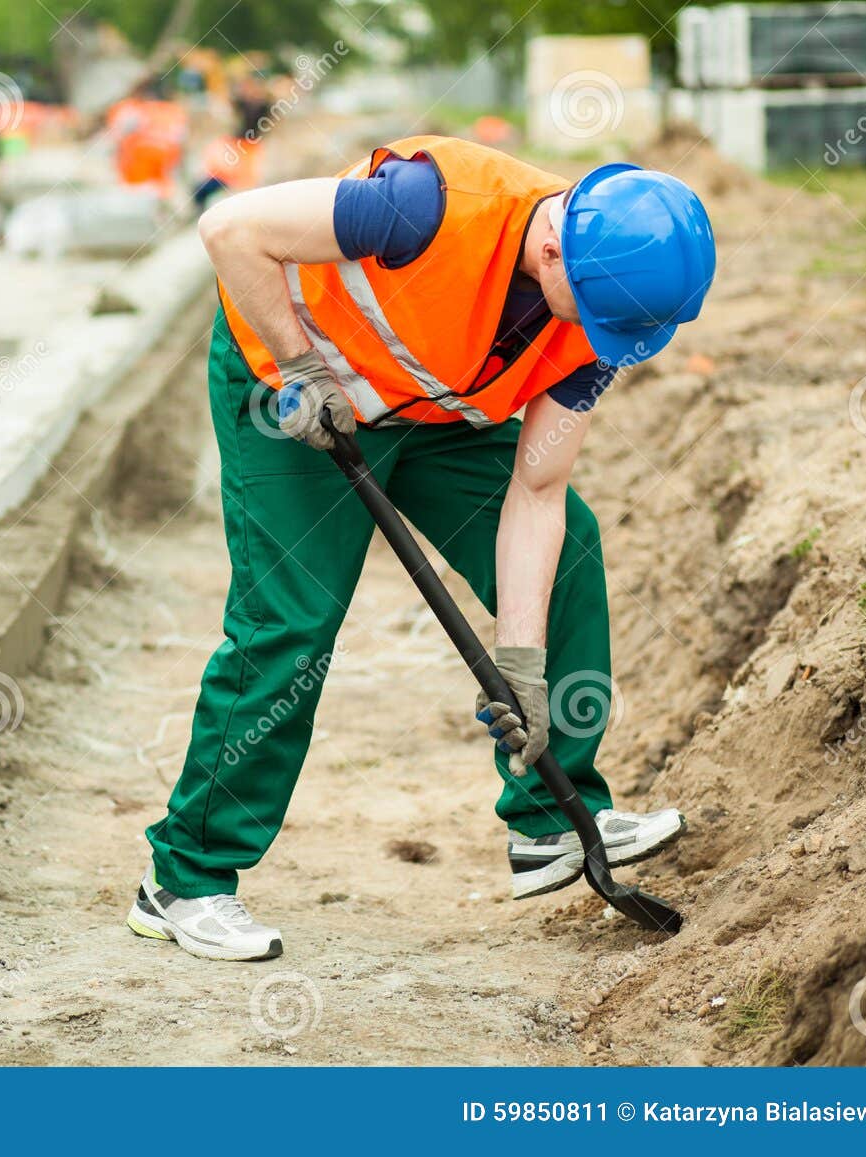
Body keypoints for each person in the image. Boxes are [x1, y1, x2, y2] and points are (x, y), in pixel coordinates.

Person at [127, 136, 717, 961]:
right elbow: (230, 229)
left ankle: (552, 819)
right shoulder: (423, 204)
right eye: (595, 312)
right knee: (292, 619)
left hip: (436, 412)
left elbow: (538, 491)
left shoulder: (601, 309)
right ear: (554, 246)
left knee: (573, 546)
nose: (597, 333)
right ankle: (186, 876)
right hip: (294, 391)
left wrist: (522, 664)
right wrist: (301, 366)